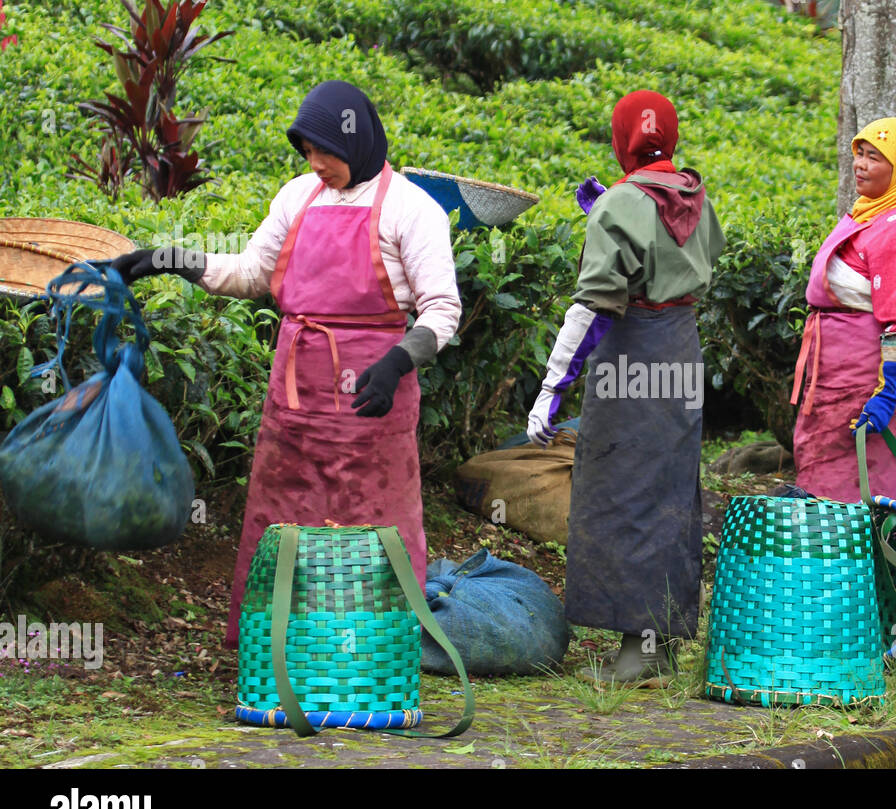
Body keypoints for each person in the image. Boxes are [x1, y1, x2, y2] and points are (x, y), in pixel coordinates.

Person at [109, 80, 461, 649]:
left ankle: (371, 650)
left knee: (371, 520)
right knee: (282, 519)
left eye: (327, 151)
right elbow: (251, 273)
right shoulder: (297, 197)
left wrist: (398, 362)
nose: (316, 163)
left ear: (361, 141)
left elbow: (442, 308)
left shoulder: (411, 209)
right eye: (307, 151)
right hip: (295, 402)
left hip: (369, 401)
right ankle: (276, 646)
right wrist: (164, 258)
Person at [526, 90, 725, 683]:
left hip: (631, 354)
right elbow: (687, 252)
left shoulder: (618, 203)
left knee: (622, 488)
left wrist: (550, 392)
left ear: (620, 139)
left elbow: (594, 305)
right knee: (666, 485)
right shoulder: (695, 194)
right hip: (679, 349)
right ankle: (660, 644)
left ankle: (635, 655)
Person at [789, 118, 896, 509]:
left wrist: (886, 395)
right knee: (826, 480)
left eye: (874, 158)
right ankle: (825, 567)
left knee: (864, 487)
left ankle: (864, 568)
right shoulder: (869, 214)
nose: (860, 164)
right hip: (839, 375)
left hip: (868, 380)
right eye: (859, 154)